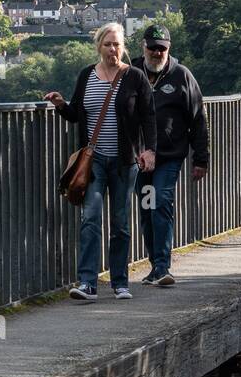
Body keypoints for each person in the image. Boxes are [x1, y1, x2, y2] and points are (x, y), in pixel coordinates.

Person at [45, 22, 157, 302]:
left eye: (117, 44)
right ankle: (87, 283)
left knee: (120, 223)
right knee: (91, 218)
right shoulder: (86, 76)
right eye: (107, 44)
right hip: (93, 161)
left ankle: (120, 282)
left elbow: (148, 117)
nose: (112, 49)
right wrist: (60, 106)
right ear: (99, 46)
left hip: (124, 161)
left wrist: (149, 150)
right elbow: (76, 114)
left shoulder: (135, 78)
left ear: (123, 47)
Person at [134, 24, 209, 287]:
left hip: (169, 156)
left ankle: (163, 266)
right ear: (143, 47)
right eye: (153, 48)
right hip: (139, 159)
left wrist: (201, 159)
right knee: (146, 209)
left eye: (162, 48)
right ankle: (155, 265)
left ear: (169, 49)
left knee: (161, 202)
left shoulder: (181, 76)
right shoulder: (131, 73)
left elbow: (198, 118)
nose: (157, 53)